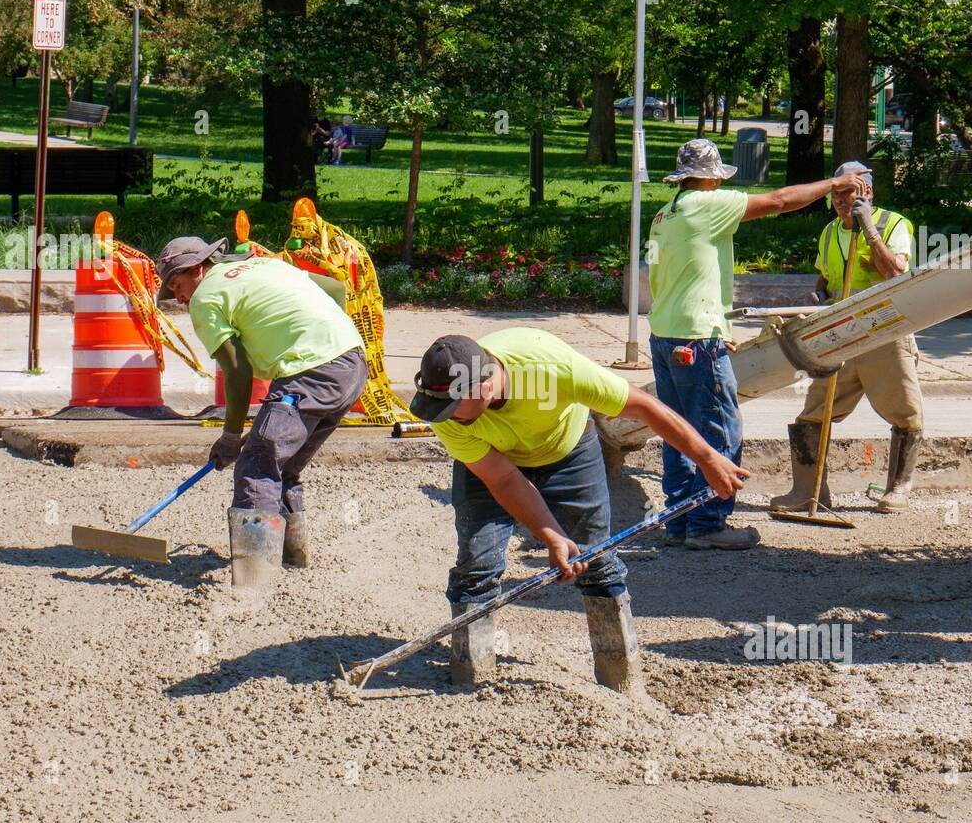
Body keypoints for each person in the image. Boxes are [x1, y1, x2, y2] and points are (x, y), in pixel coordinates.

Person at [409, 329, 749, 692]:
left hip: (567, 451)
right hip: (498, 461)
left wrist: (708, 458)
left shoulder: (551, 369)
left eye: (450, 408)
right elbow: (505, 480)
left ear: (484, 386)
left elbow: (646, 407)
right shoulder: (449, 416)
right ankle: (469, 677)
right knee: (477, 564)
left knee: (596, 559)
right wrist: (551, 534)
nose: (443, 417)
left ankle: (621, 678)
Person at [646, 139, 870, 547]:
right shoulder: (707, 204)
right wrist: (835, 182)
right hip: (696, 339)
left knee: (678, 433)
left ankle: (679, 521)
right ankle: (708, 524)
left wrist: (713, 323)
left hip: (665, 336)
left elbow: (673, 279)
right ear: (712, 178)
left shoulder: (665, 215)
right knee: (720, 432)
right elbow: (781, 200)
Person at [157, 237, 367, 588]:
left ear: (197, 269)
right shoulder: (262, 264)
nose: (178, 297)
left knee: (258, 462)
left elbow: (238, 372)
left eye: (177, 286)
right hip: (351, 362)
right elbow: (333, 287)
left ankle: (254, 577)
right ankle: (292, 559)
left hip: (310, 373)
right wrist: (326, 333)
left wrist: (229, 436)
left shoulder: (206, 298)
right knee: (282, 464)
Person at [769, 160, 922, 514]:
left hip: (883, 329)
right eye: (836, 193)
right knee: (814, 413)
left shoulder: (893, 224)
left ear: (866, 192)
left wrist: (868, 227)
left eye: (848, 192)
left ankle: (898, 489)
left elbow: (895, 274)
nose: (840, 200)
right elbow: (825, 278)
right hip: (839, 333)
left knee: (905, 412)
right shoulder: (830, 232)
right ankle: (807, 492)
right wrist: (817, 296)